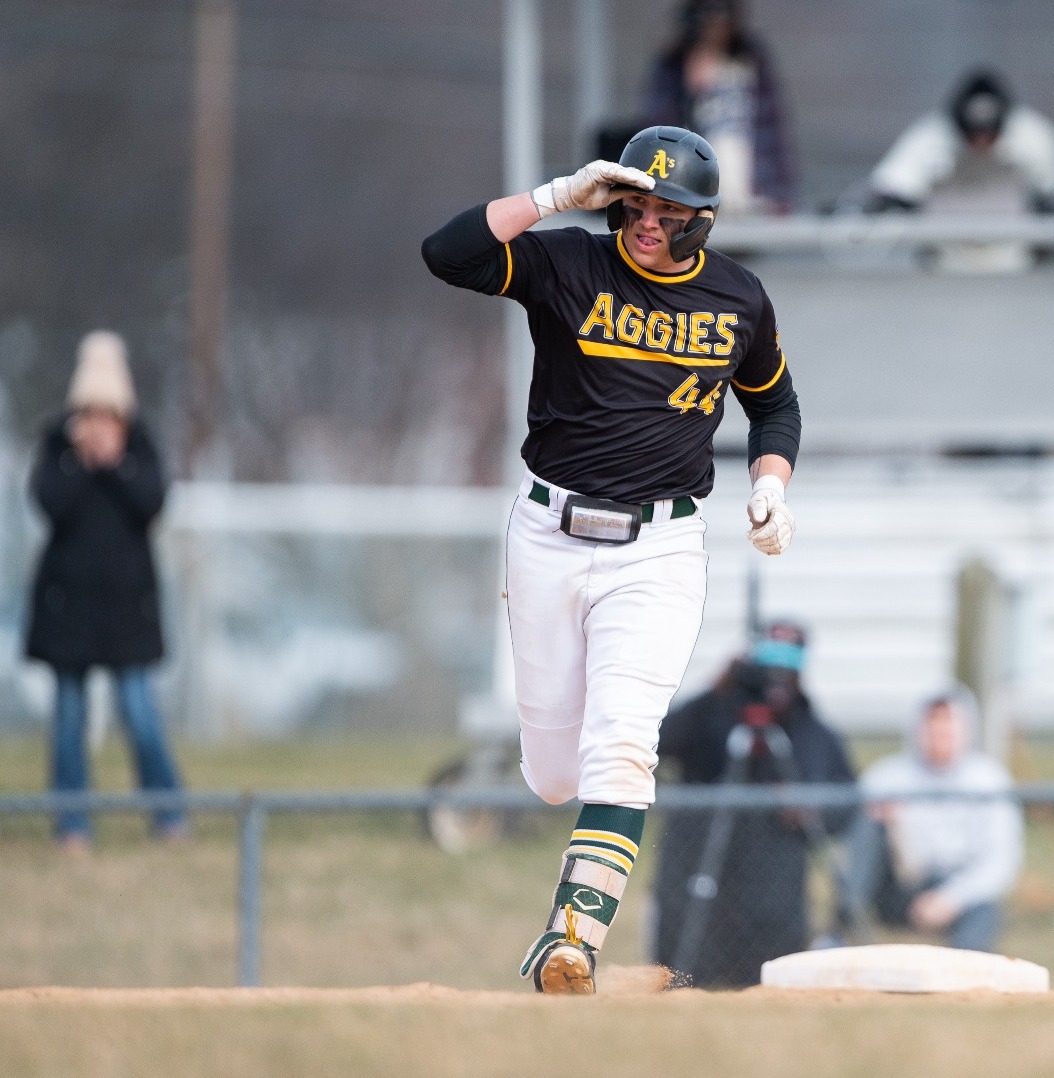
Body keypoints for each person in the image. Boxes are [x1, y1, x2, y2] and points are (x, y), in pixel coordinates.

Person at [420, 125, 802, 995]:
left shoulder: (739, 298)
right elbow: (446, 253)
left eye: (669, 210)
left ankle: (572, 940)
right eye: (638, 202)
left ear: (703, 220)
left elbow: (775, 408)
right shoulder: (570, 264)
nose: (646, 222)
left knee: (623, 746)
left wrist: (772, 483)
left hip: (661, 545)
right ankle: (572, 897)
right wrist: (555, 197)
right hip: (550, 533)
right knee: (557, 776)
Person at [25, 330, 187, 856]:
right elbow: (48, 502)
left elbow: (153, 502)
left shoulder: (140, 446)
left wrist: (116, 463)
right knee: (69, 720)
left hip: (125, 612)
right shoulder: (57, 445)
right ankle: (71, 824)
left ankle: (169, 813)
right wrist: (79, 458)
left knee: (140, 714)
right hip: (68, 609)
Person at [651, 621, 855, 987]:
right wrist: (719, 687)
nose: (777, 679)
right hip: (701, 880)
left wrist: (807, 811)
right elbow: (658, 741)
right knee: (689, 980)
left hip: (773, 897)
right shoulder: (713, 714)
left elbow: (846, 803)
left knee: (768, 981)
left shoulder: (814, 732)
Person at [835, 688, 1022, 953]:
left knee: (984, 909)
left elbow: (999, 862)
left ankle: (967, 972)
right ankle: (844, 929)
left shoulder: (989, 780)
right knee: (869, 822)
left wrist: (950, 898)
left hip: (961, 889)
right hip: (901, 886)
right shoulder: (887, 777)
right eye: (932, 727)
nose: (939, 737)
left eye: (948, 728)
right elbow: (852, 841)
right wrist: (888, 826)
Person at [634, 0, 796, 216]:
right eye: (706, 13)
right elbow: (658, 138)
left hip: (753, 199)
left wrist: (780, 196)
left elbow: (774, 137)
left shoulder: (752, 61)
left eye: (721, 12)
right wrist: (688, 93)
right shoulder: (673, 67)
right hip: (694, 199)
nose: (715, 22)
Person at [867, 69, 1054, 216]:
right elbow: (893, 187)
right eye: (973, 135)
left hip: (1014, 253)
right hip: (947, 253)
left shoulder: (1031, 134)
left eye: (989, 135)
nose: (981, 144)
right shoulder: (932, 136)